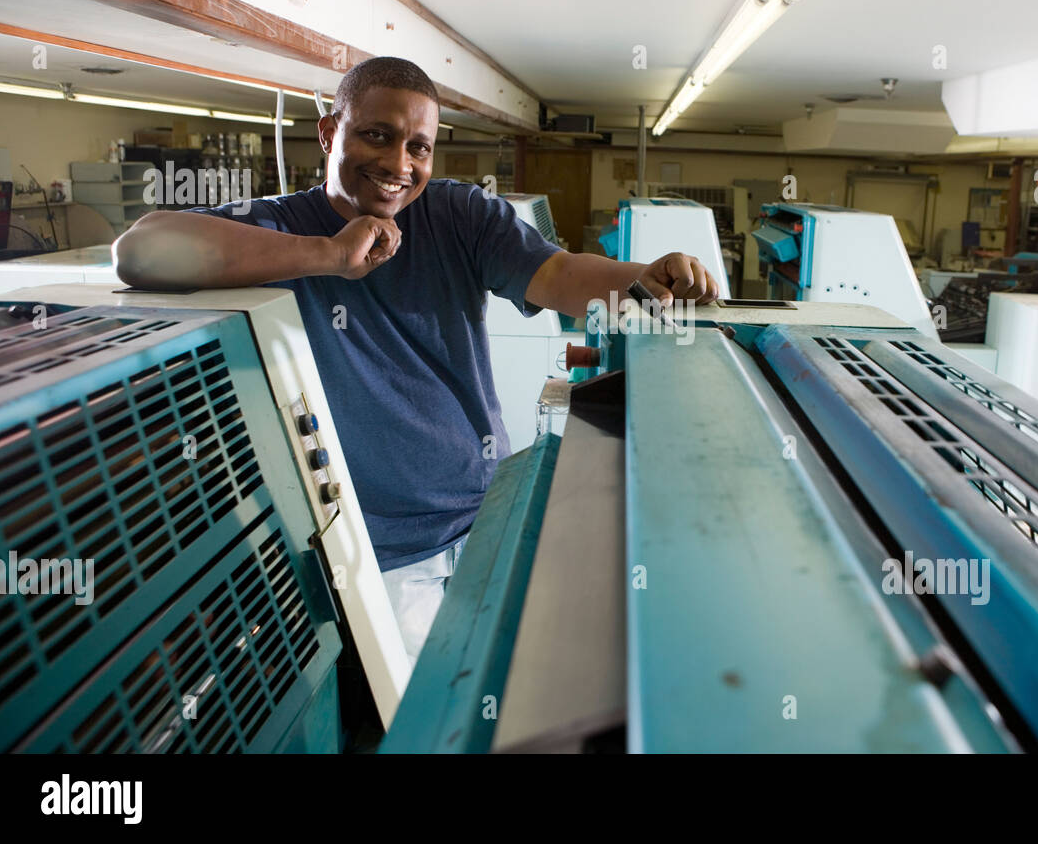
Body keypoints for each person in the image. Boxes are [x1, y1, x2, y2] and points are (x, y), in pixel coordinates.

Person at [113, 56, 719, 660]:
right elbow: (138, 252)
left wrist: (642, 279)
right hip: (385, 562)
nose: (399, 164)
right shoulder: (276, 230)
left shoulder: (458, 214)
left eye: (419, 148)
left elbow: (559, 273)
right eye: (377, 135)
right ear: (330, 132)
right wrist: (324, 254)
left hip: (487, 523)